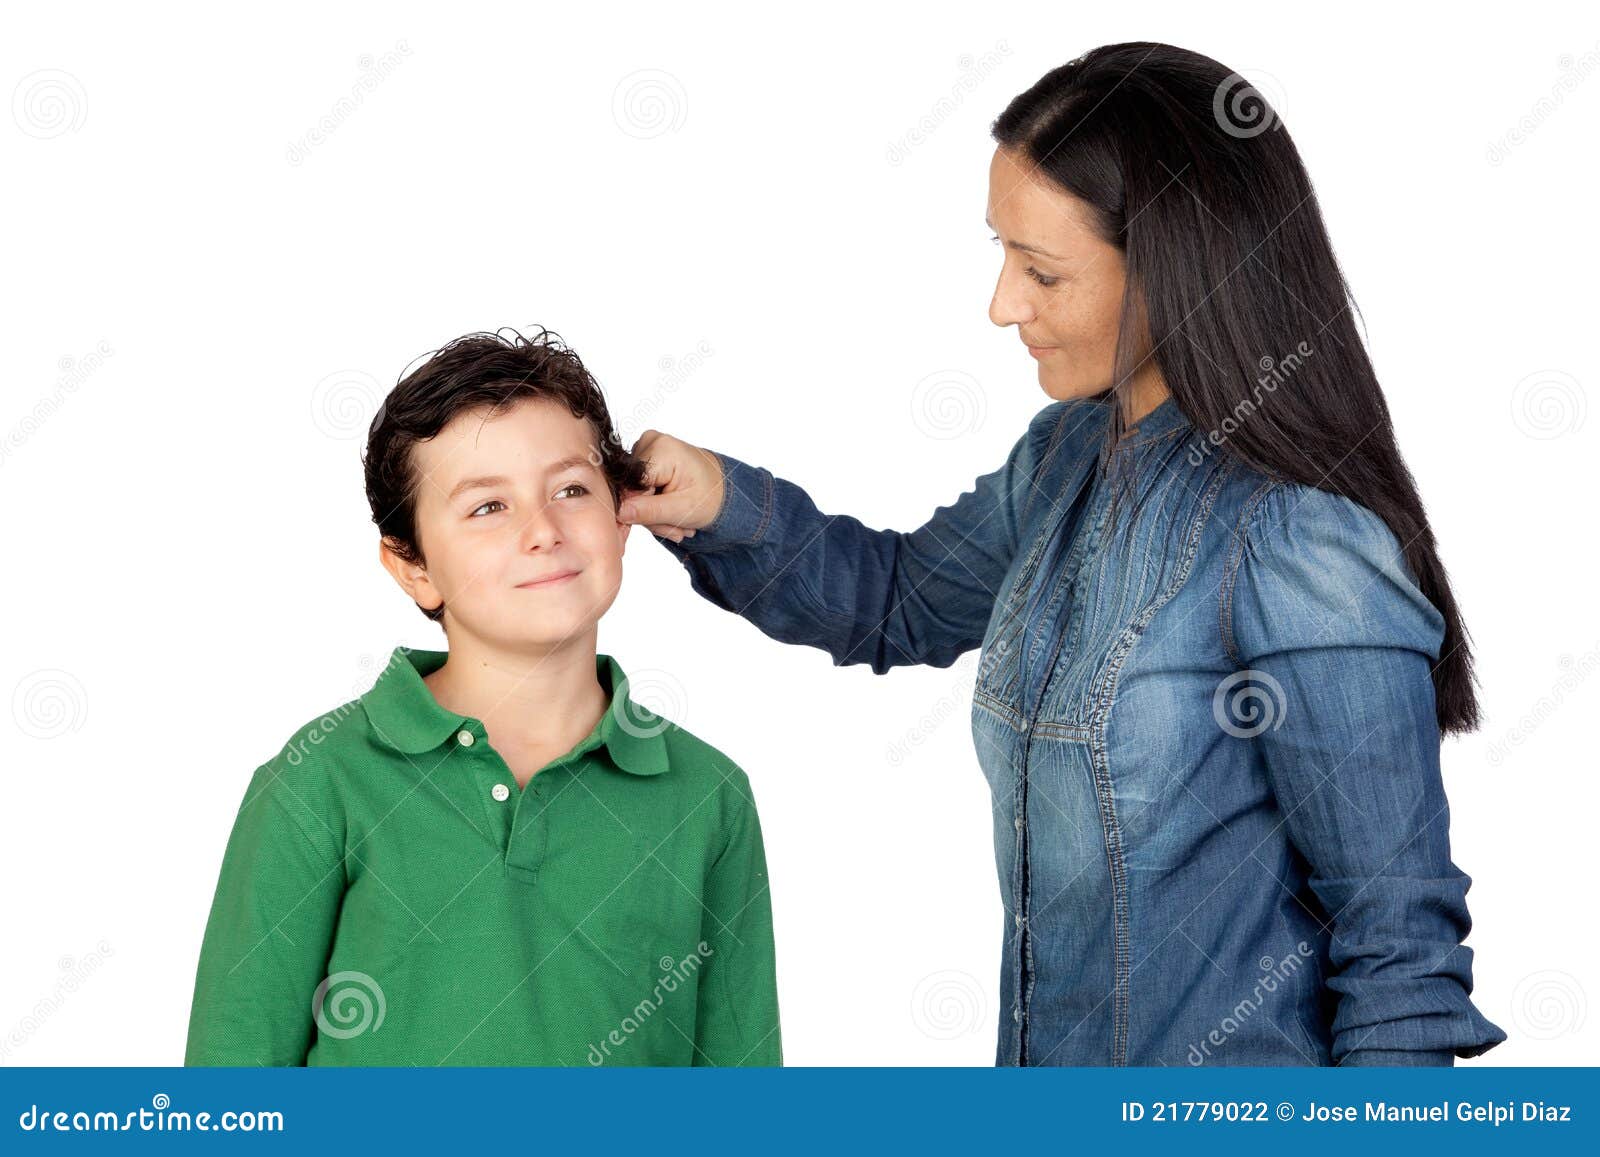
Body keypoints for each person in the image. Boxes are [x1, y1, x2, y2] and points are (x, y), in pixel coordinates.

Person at [616, 44, 1505, 1066]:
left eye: (1042, 271)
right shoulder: (1064, 458)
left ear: (1178, 267)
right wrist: (720, 501)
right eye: (1003, 254)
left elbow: (1400, 961)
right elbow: (897, 599)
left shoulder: (1300, 540)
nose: (1003, 304)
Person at [185, 328, 781, 1066]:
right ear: (413, 569)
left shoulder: (708, 795)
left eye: (571, 488)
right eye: (487, 507)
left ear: (623, 520)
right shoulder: (315, 783)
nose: (542, 530)